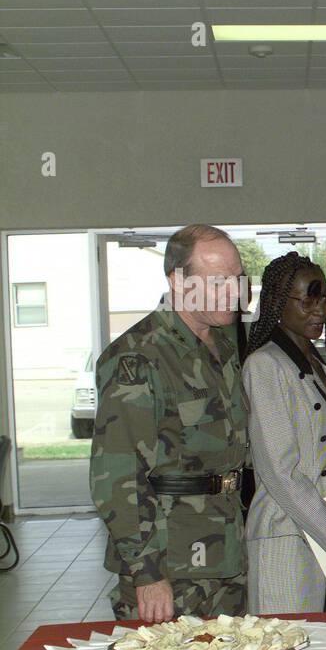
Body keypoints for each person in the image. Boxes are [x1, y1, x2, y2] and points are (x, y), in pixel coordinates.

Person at [91, 224, 250, 621]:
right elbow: (118, 475)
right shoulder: (138, 358)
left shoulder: (224, 347)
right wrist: (147, 574)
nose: (233, 292)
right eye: (218, 282)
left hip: (224, 555)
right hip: (171, 566)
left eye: (237, 279)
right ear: (177, 281)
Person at [242, 253, 326, 614]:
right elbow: (278, 471)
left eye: (324, 300)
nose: (319, 310)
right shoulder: (265, 365)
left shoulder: (320, 365)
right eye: (307, 300)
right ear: (276, 303)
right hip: (288, 534)